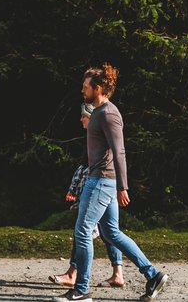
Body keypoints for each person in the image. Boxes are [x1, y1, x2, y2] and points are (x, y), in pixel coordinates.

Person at [53, 64, 168, 302]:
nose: (82, 90)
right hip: (101, 179)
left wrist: (122, 186)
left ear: (99, 87)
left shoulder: (108, 113)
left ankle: (81, 290)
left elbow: (120, 151)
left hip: (102, 181)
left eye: (86, 87)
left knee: (83, 232)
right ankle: (153, 275)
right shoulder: (97, 113)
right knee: (111, 232)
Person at [49, 103, 125, 289]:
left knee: (83, 230)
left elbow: (90, 167)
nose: (81, 119)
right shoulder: (97, 136)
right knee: (110, 232)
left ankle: (74, 276)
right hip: (106, 185)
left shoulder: (99, 134)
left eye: (83, 116)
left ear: (91, 117)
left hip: (100, 186)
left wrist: (80, 193)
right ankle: (119, 273)